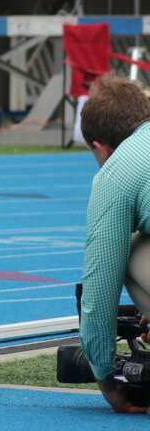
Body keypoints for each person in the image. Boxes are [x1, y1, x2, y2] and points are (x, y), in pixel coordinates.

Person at [75, 74, 150, 415]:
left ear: (99, 147)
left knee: (130, 249)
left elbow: (100, 284)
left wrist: (105, 375)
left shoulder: (116, 170)